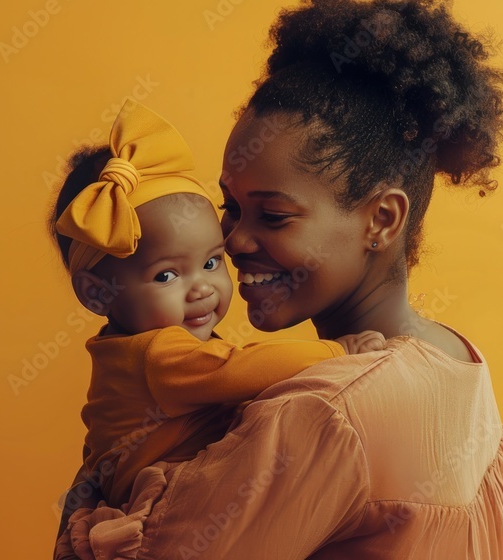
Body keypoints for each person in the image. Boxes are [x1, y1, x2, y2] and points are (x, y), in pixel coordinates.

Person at [54, 0, 503, 558]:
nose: (231, 242)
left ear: (381, 219)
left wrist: (82, 510)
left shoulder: (321, 413)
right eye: (228, 206)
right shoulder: (461, 364)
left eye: (273, 216)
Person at [49, 99, 386, 517]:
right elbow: (239, 368)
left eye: (211, 263)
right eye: (166, 276)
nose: (202, 289)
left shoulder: (123, 349)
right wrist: (340, 352)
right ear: (96, 293)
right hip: (157, 509)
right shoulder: (158, 355)